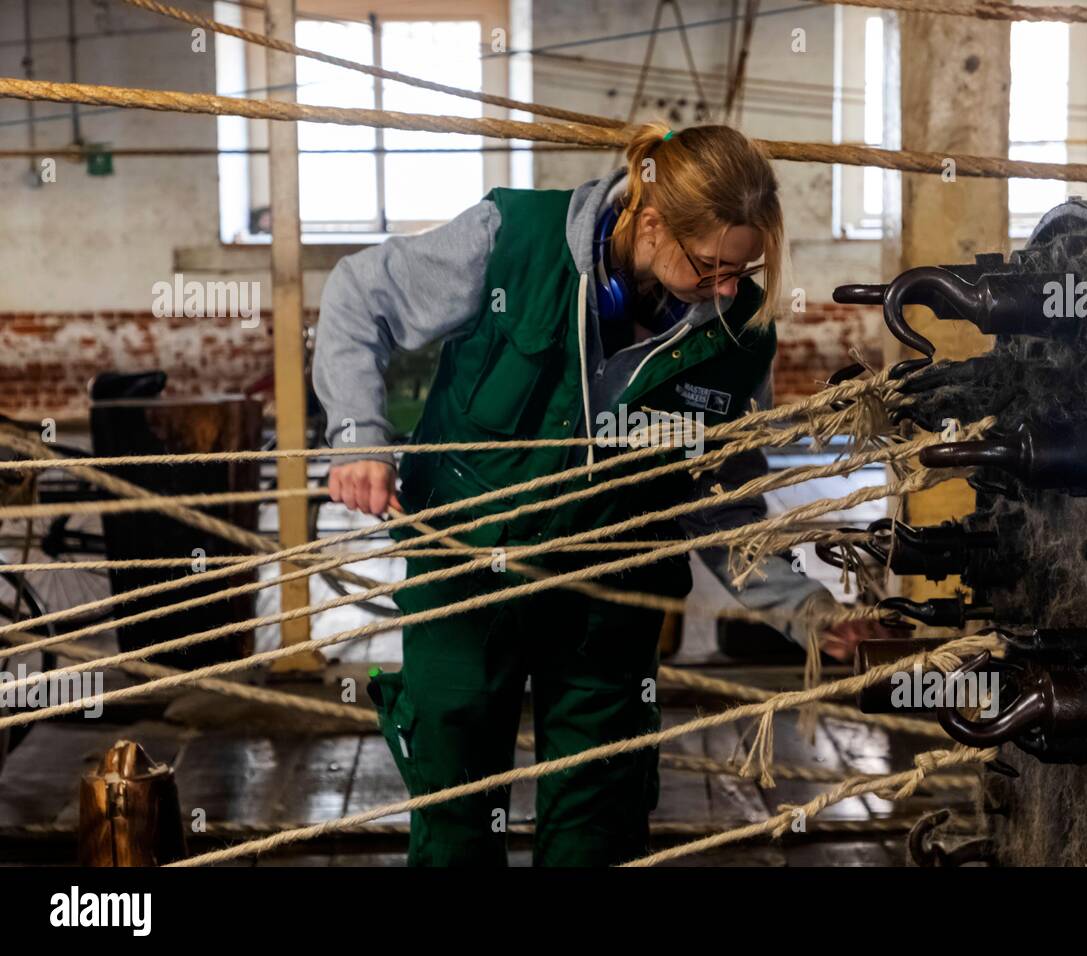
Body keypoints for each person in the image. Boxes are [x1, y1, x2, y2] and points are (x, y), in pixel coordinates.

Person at [313, 122, 875, 866]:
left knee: (597, 826)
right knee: (454, 817)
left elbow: (722, 498)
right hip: (465, 581)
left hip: (611, 601)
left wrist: (800, 610)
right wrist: (358, 435)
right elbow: (359, 296)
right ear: (649, 222)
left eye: (744, 270)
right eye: (710, 267)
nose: (730, 289)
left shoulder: (736, 337)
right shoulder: (513, 240)